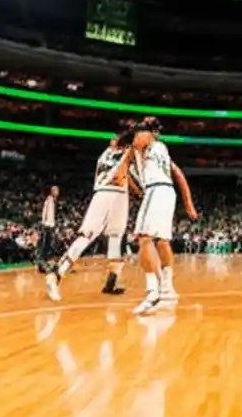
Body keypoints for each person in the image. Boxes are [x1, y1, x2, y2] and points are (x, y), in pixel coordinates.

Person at [45, 126, 135, 302]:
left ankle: (111, 283)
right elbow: (123, 174)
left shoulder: (105, 154)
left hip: (101, 193)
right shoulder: (126, 152)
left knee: (98, 236)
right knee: (111, 238)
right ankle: (56, 274)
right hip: (114, 195)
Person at [130, 117, 198, 316]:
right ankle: (167, 289)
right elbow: (179, 175)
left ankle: (153, 293)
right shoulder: (159, 150)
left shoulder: (153, 147)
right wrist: (188, 204)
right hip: (165, 192)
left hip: (156, 190)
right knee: (161, 241)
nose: (136, 136)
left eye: (139, 132)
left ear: (150, 135)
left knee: (144, 239)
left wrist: (189, 204)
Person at [36, 185, 59, 273]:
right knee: (47, 246)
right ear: (52, 191)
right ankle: (44, 265)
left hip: (48, 226)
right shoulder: (49, 200)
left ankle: (44, 265)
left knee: (48, 246)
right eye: (56, 191)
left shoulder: (51, 200)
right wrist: (47, 225)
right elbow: (46, 214)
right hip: (48, 226)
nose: (57, 193)